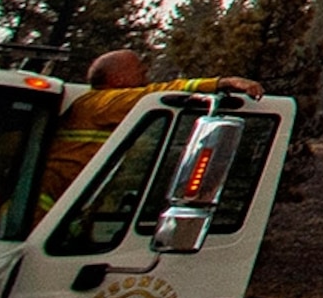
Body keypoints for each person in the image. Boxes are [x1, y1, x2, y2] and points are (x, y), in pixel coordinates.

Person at [37, 50, 263, 210]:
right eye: (140, 71)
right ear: (118, 79)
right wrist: (222, 83)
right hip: (46, 211)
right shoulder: (107, 102)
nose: (146, 76)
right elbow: (159, 93)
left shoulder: (93, 104)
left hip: (65, 208)